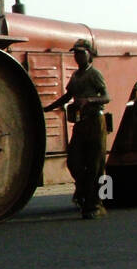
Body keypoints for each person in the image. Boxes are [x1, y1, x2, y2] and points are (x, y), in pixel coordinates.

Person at [44, 39, 110, 219]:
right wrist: (46, 109)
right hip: (81, 123)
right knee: (74, 160)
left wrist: (89, 100)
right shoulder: (76, 76)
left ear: (89, 54)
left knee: (96, 164)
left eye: (81, 53)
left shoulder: (94, 74)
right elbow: (67, 96)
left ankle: (95, 204)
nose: (77, 56)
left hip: (95, 121)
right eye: (75, 53)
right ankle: (83, 191)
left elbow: (106, 97)